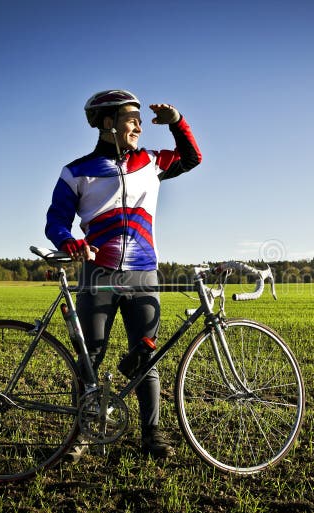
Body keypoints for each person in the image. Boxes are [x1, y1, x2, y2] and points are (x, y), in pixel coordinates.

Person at [45, 89, 201, 458]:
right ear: (106, 123)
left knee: (146, 358)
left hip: (143, 273)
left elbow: (193, 157)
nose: (139, 126)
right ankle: (81, 435)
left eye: (140, 119)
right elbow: (55, 221)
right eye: (131, 118)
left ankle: (152, 435)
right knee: (89, 358)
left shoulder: (150, 161)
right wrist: (69, 243)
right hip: (98, 274)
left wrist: (177, 122)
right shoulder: (76, 171)